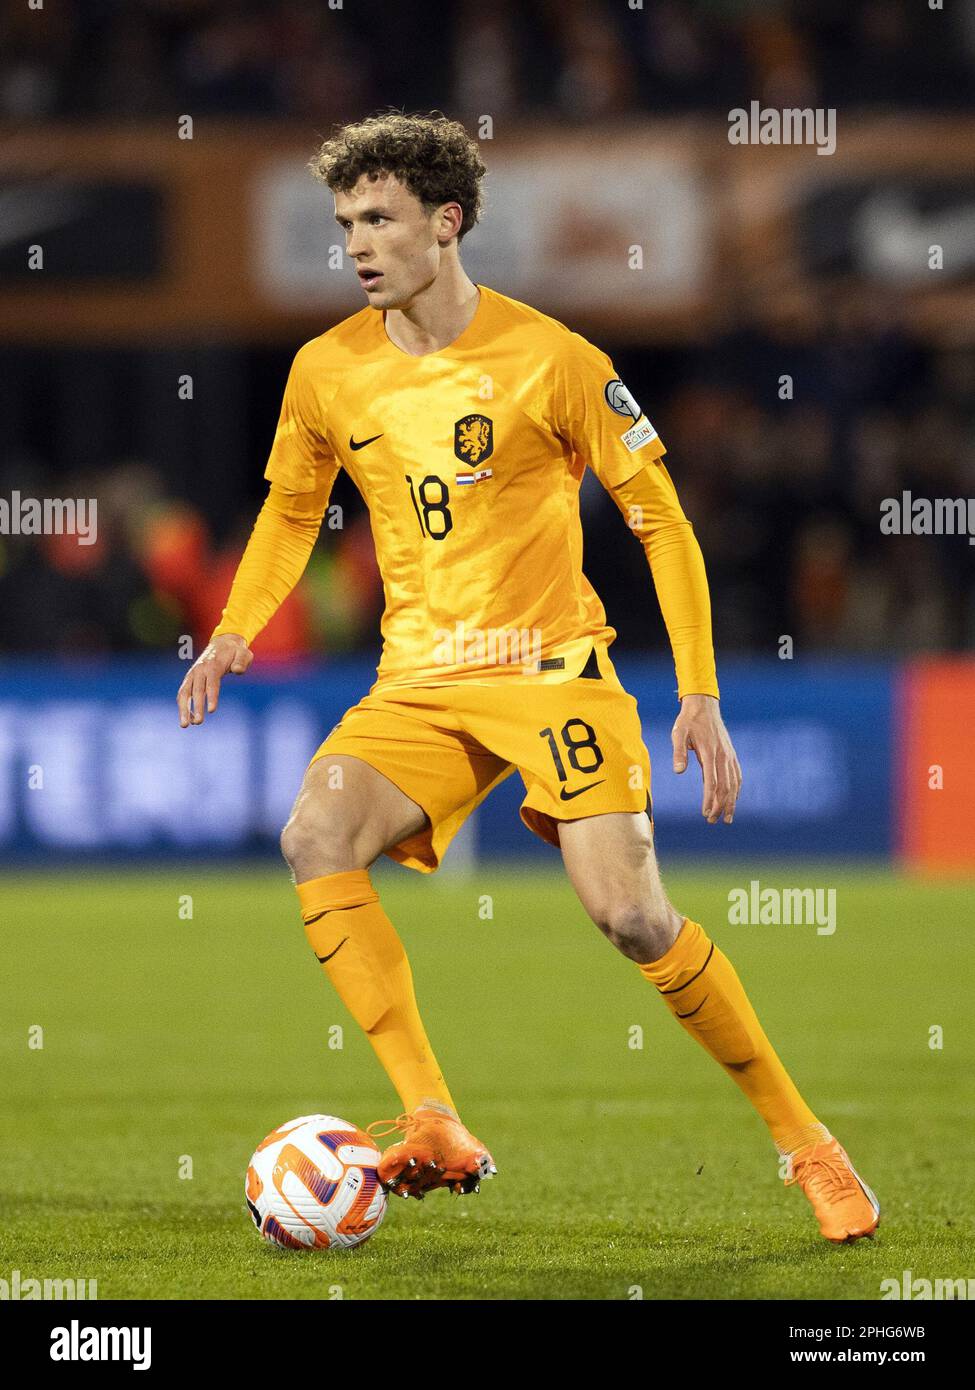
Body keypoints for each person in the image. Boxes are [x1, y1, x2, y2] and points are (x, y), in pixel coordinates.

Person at [177, 113, 878, 1242]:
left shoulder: (554, 359)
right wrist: (235, 628)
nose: (356, 243)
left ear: (445, 224)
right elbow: (291, 508)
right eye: (345, 221)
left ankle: (808, 1142)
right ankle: (431, 1114)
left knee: (633, 917)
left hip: (552, 672)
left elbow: (661, 521)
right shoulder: (325, 371)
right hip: (418, 681)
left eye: (380, 220)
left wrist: (697, 691)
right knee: (314, 834)